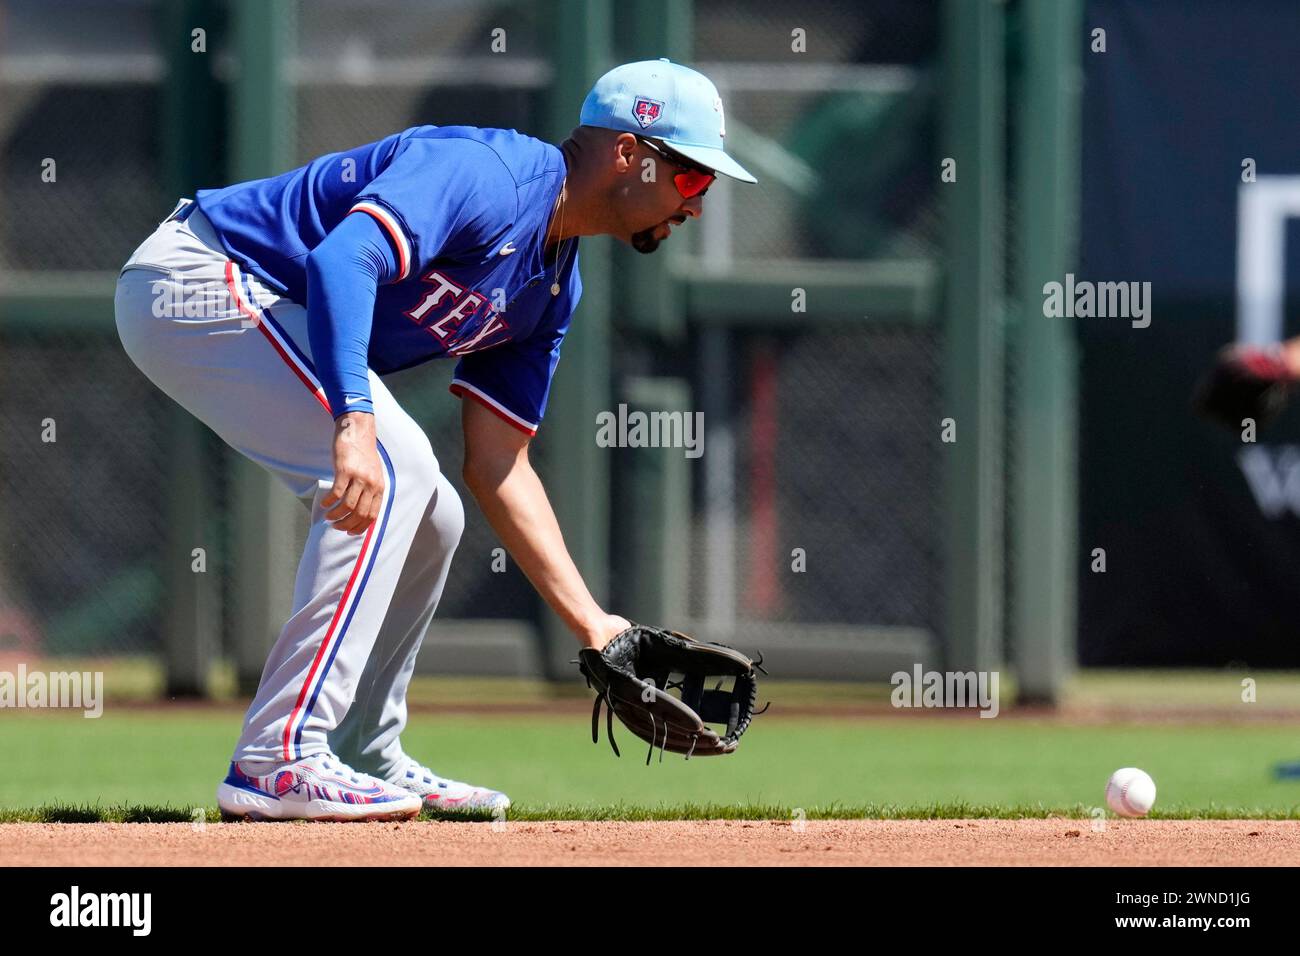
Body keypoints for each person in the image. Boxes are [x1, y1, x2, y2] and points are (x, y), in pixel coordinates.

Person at [113, 59, 756, 821]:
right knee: (396, 463)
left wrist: (596, 626)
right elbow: (342, 257)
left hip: (256, 307)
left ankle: (362, 749)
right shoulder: (491, 174)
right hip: (199, 274)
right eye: (690, 180)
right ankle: (278, 755)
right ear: (629, 153)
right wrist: (355, 418)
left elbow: (499, 464)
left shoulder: (550, 285)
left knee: (435, 510)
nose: (698, 204)